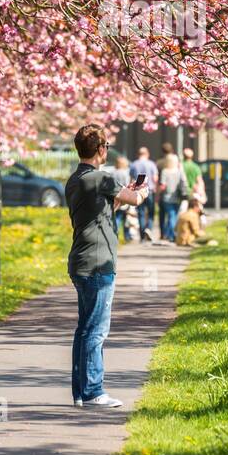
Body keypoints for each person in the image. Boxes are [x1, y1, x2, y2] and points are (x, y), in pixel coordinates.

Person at [65, 124, 148, 409]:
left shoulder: (76, 180)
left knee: (84, 328)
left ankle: (79, 391)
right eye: (106, 147)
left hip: (80, 259)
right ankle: (93, 391)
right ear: (101, 149)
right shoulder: (102, 178)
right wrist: (143, 192)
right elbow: (135, 199)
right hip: (98, 261)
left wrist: (119, 201)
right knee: (97, 330)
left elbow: (100, 212)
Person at [129, 146, 159, 242]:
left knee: (141, 213)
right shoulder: (151, 164)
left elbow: (131, 179)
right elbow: (155, 179)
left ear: (139, 154)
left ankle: (142, 237)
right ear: (147, 154)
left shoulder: (134, 165)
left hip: (138, 192)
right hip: (149, 191)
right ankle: (148, 229)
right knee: (150, 213)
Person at [158, 154, 185, 243]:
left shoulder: (165, 171)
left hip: (167, 197)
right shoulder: (179, 171)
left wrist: (158, 193)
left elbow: (163, 186)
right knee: (173, 216)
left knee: (171, 216)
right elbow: (184, 182)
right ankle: (171, 235)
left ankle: (172, 235)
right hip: (177, 197)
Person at [111, 155, 133, 242]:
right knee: (125, 217)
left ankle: (114, 234)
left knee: (117, 216)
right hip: (124, 196)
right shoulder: (126, 173)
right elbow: (127, 185)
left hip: (114, 196)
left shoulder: (113, 172)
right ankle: (126, 236)